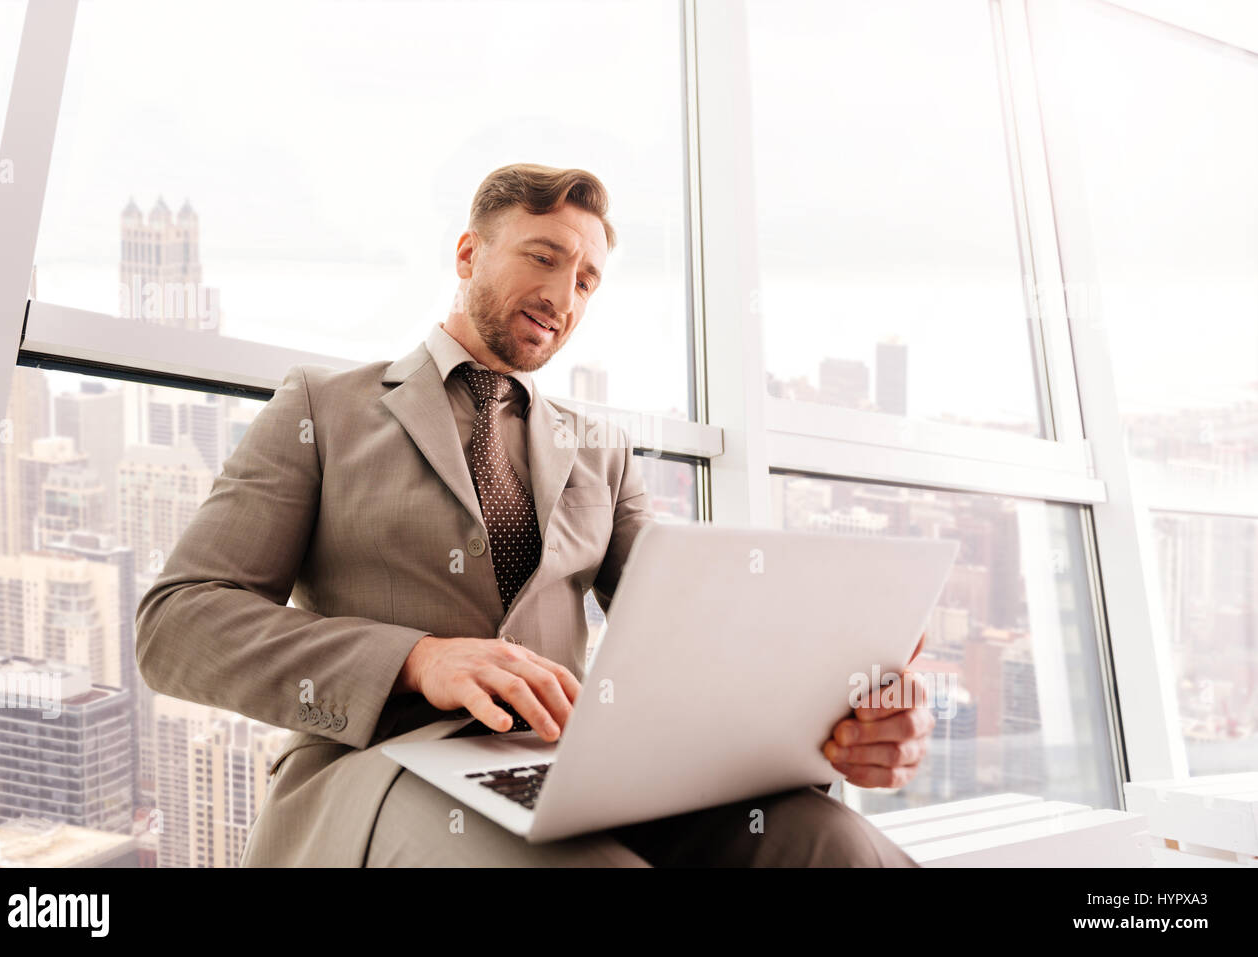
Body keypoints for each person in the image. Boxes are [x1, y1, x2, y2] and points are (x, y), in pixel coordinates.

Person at [135, 162, 933, 867]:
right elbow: (177, 623)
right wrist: (417, 658)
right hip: (383, 771)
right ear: (467, 254)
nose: (562, 294)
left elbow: (691, 632)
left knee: (838, 844)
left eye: (586, 279)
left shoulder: (601, 450)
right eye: (543, 258)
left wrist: (829, 711)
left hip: (572, 768)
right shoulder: (323, 407)